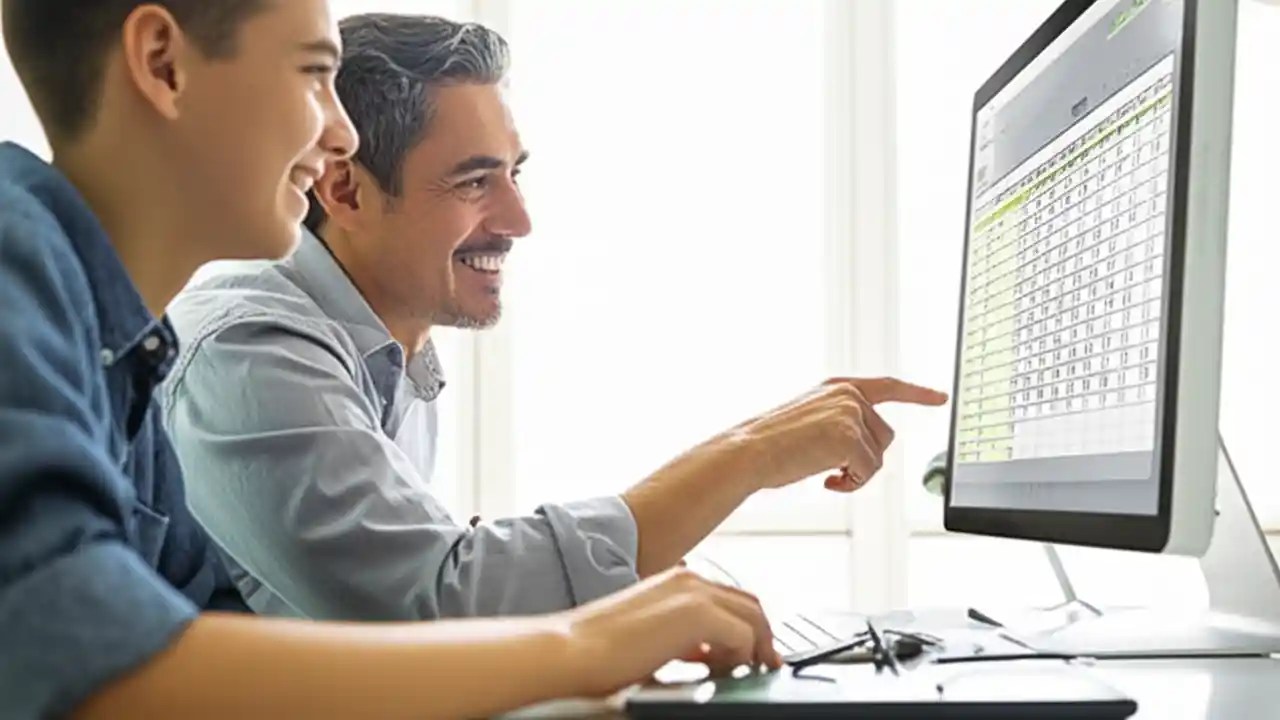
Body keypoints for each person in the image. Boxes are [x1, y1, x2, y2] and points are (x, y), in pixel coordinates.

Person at [0, 2, 788, 717]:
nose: (342, 134)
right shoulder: (16, 264)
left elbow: (208, 643)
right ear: (163, 64)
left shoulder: (116, 357)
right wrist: (578, 648)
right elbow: (83, 659)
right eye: (314, 74)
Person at [162, 12, 950, 622]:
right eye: (475, 183)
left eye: (514, 174)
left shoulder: (380, 351)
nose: (519, 220)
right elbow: (440, 602)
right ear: (344, 191)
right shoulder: (251, 351)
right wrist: (747, 456)